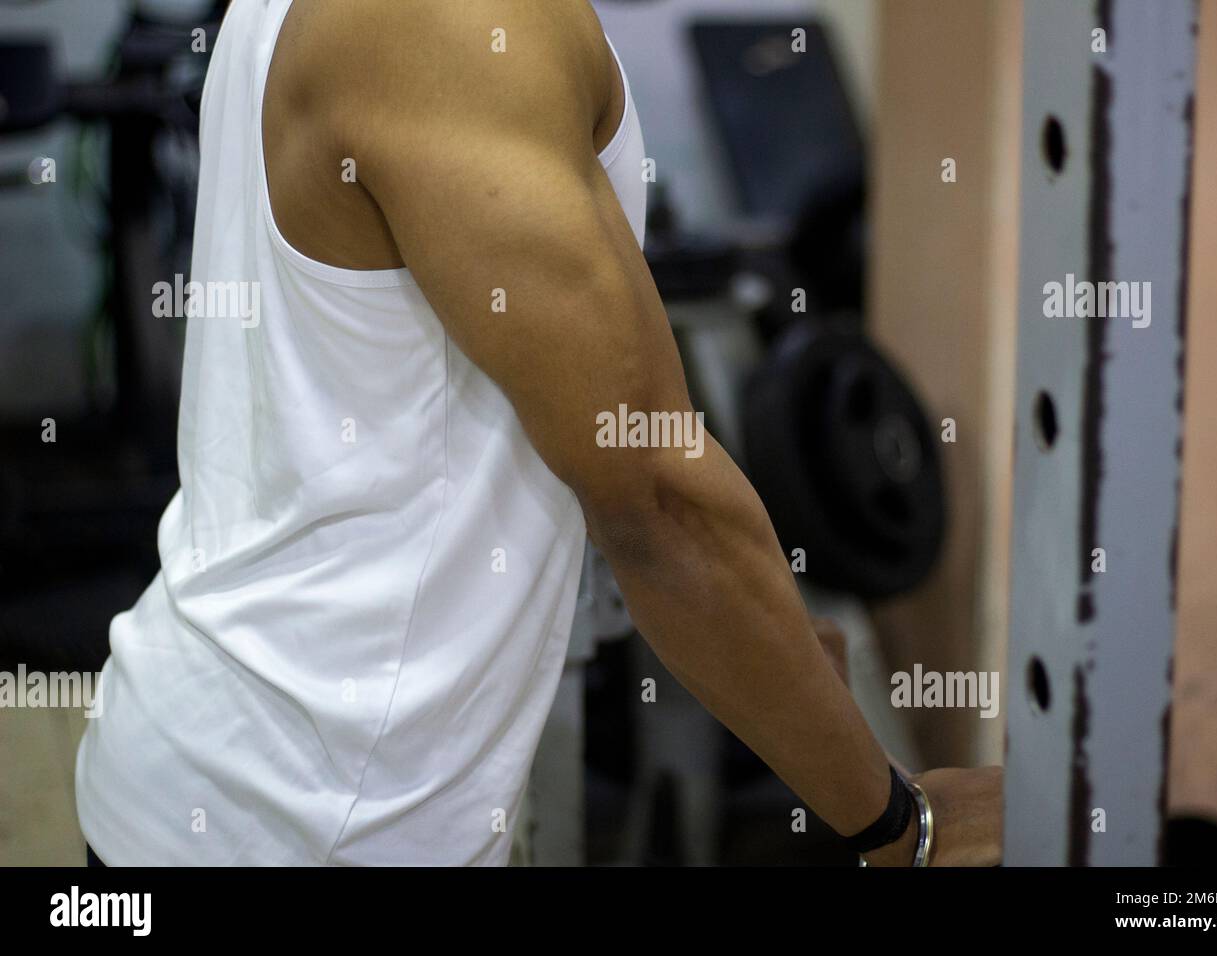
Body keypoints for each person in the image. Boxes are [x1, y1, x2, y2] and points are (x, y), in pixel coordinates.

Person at [76, 0, 1001, 866]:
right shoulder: (456, 30)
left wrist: (777, 643)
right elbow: (655, 501)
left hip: (244, 773)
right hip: (311, 819)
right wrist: (902, 827)